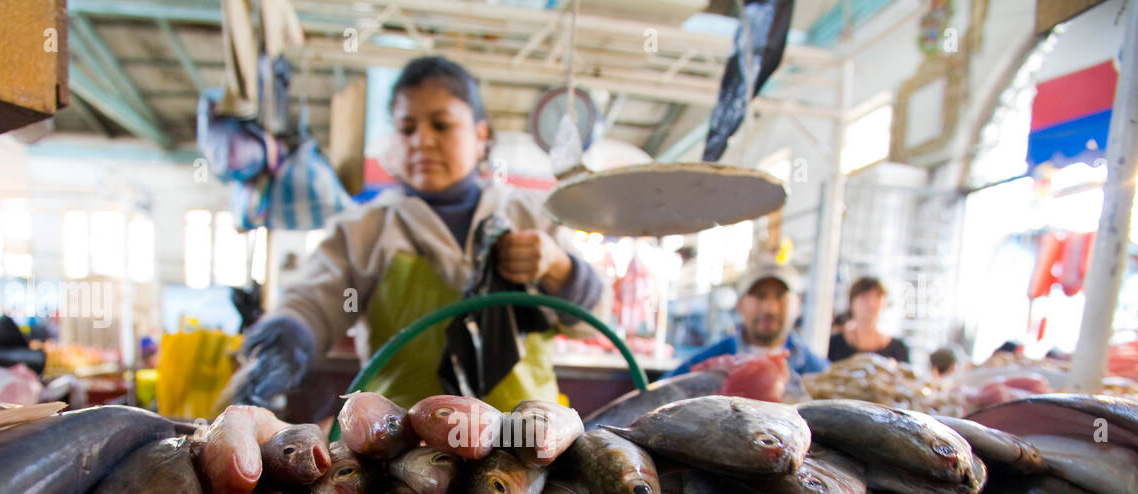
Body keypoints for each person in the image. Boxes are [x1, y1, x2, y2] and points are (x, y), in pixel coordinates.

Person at [225, 56, 602, 412]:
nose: (421, 140)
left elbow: (592, 321)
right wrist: (289, 335)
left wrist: (558, 269)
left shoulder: (533, 215)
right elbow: (318, 303)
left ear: (481, 134)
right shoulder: (365, 229)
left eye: (441, 125)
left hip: (525, 449)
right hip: (399, 454)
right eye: (407, 128)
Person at [666, 261, 828, 376]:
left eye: (780, 297)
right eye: (759, 296)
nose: (769, 308)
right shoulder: (709, 362)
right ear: (740, 305)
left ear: (797, 306)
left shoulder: (816, 372)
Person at [827, 277, 909, 363]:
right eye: (864, 297)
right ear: (851, 302)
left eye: (877, 297)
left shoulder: (898, 348)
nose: (871, 304)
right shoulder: (834, 344)